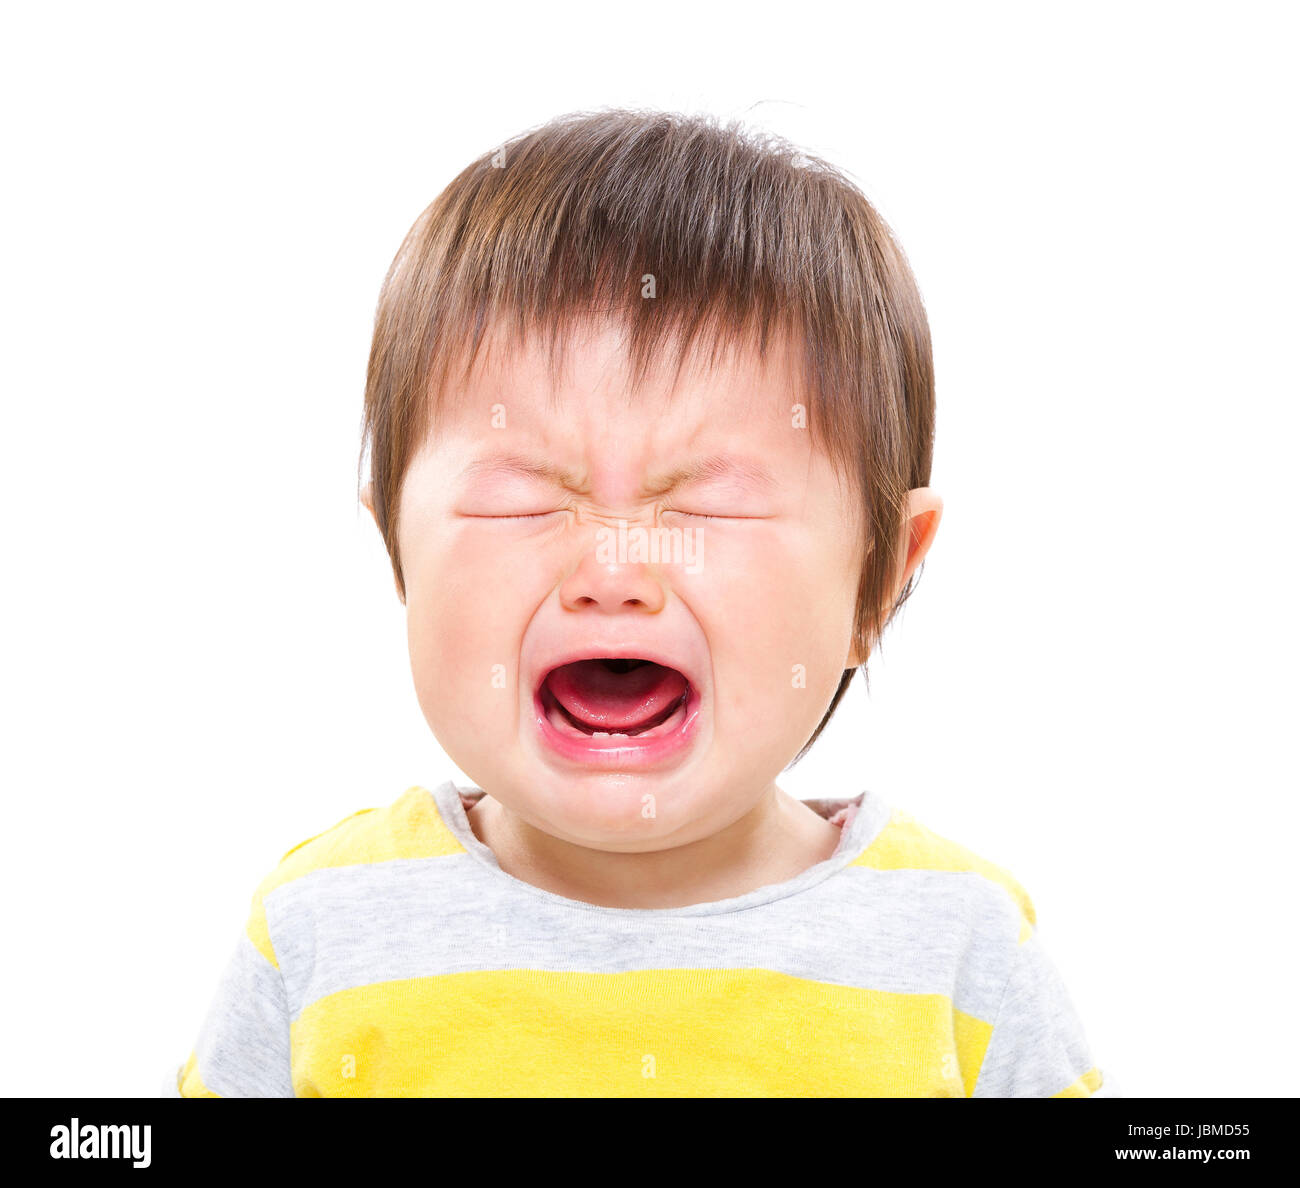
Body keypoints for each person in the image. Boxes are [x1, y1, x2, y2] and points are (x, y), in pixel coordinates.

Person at [168, 108, 1108, 1097]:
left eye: (708, 501)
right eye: (522, 496)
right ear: (396, 548)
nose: (611, 571)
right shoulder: (325, 929)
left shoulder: (954, 948)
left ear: (878, 578)